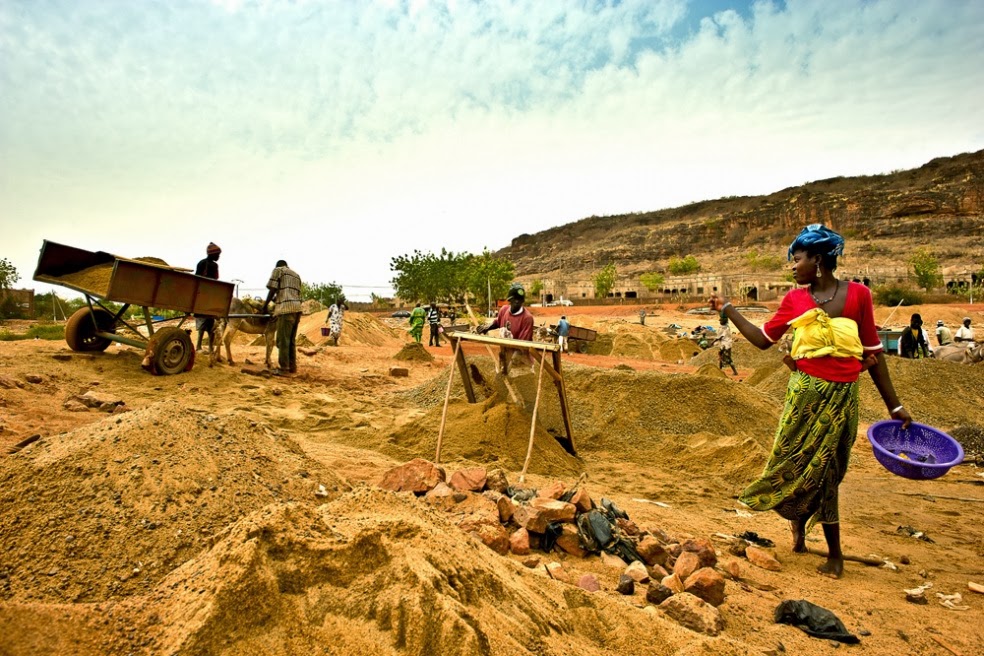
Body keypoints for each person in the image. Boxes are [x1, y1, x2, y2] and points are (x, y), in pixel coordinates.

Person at [709, 224, 911, 579]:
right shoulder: (794, 300)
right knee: (792, 462)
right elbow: (762, 340)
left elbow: (874, 352)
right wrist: (729, 308)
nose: (792, 266)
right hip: (803, 397)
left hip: (841, 398)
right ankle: (798, 529)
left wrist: (895, 407)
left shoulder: (858, 296)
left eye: (797, 259)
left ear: (818, 260)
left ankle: (835, 555)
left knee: (828, 471)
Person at [479, 283, 535, 374]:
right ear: (510, 299)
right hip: (505, 358)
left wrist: (508, 368)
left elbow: (521, 347)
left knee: (521, 386)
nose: (517, 302)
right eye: (515, 299)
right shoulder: (504, 310)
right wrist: (487, 327)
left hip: (521, 364)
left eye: (520, 299)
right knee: (500, 384)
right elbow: (497, 322)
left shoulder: (527, 318)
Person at [264, 259, 302, 376]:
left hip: (286, 310)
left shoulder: (278, 270)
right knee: (290, 340)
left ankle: (283, 368)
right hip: (297, 310)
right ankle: (292, 367)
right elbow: (289, 293)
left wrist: (264, 305)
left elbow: (272, 289)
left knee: (282, 340)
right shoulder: (296, 275)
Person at [194, 242, 221, 352]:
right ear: (213, 254)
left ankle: (200, 346)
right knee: (210, 325)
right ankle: (208, 348)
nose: (219, 257)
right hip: (208, 298)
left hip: (201, 297)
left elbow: (196, 278)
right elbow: (215, 281)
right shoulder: (214, 265)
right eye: (218, 255)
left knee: (204, 324)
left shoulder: (201, 263)